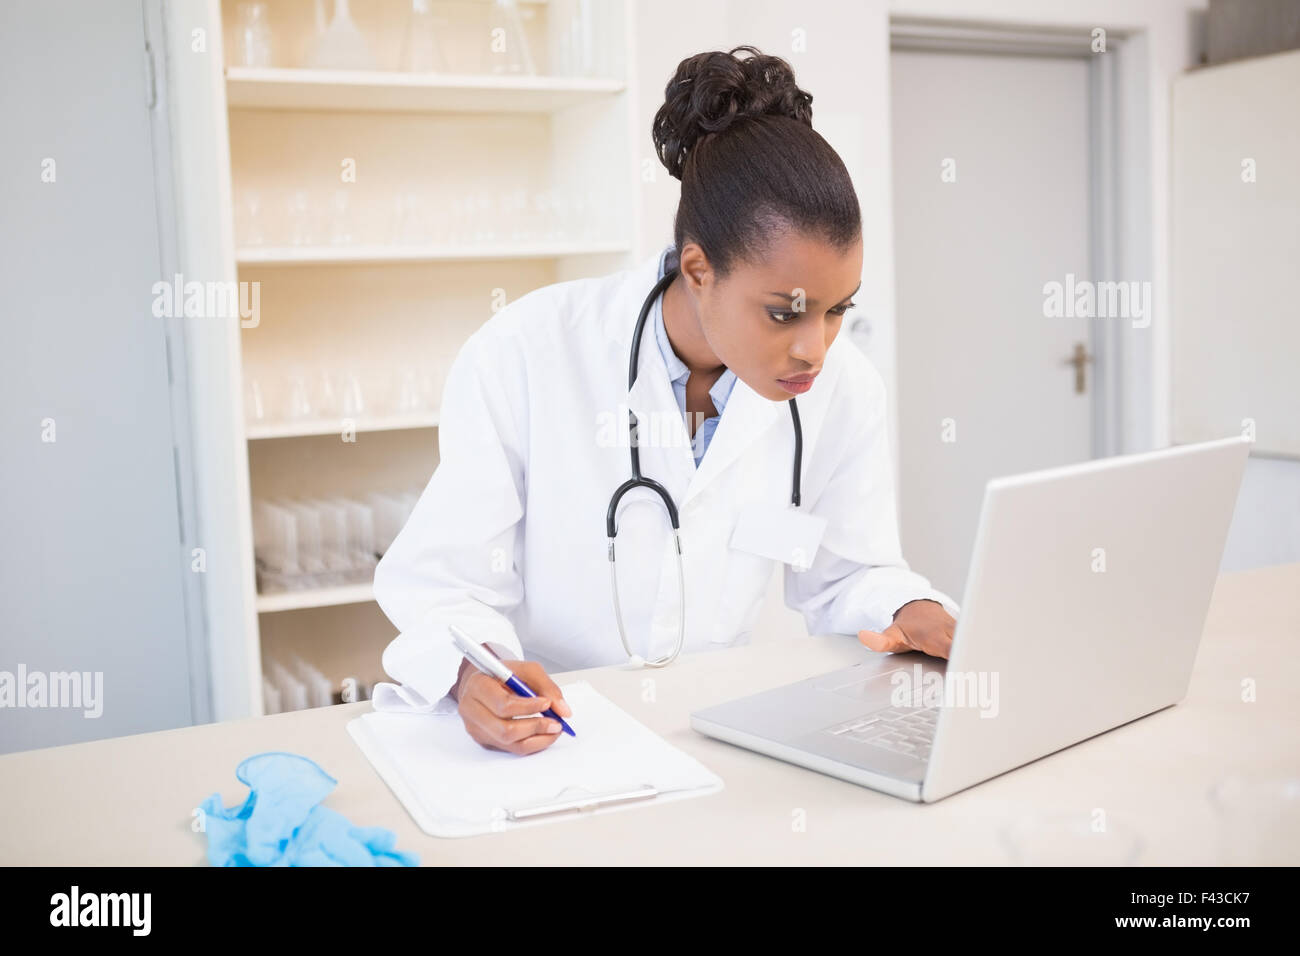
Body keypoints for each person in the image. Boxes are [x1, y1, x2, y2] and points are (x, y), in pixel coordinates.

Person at [373, 45, 959, 756]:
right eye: (785, 313)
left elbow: (849, 574)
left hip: (723, 732)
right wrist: (473, 672)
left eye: (838, 310)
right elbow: (444, 581)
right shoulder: (527, 350)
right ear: (699, 269)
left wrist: (912, 607)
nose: (816, 348)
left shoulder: (845, 386)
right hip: (553, 733)